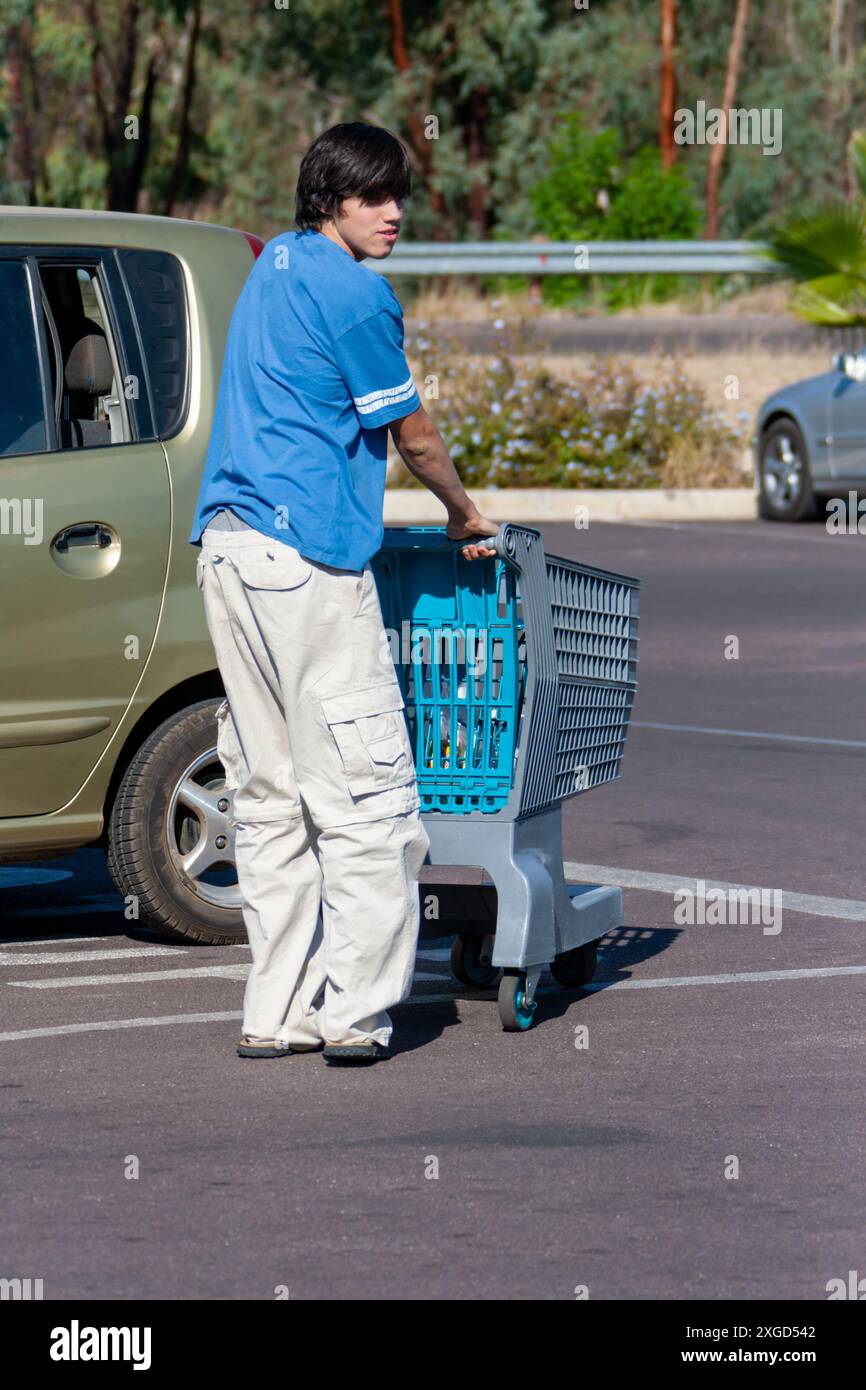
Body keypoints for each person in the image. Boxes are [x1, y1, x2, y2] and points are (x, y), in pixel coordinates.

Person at [188, 121, 499, 1065]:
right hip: (306, 565)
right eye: (373, 197)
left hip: (229, 554)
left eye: (399, 194)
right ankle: (354, 1016)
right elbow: (415, 437)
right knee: (367, 798)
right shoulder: (358, 294)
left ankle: (273, 1011)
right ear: (329, 201)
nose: (394, 213)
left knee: (271, 791)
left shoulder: (274, 264)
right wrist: (464, 514)